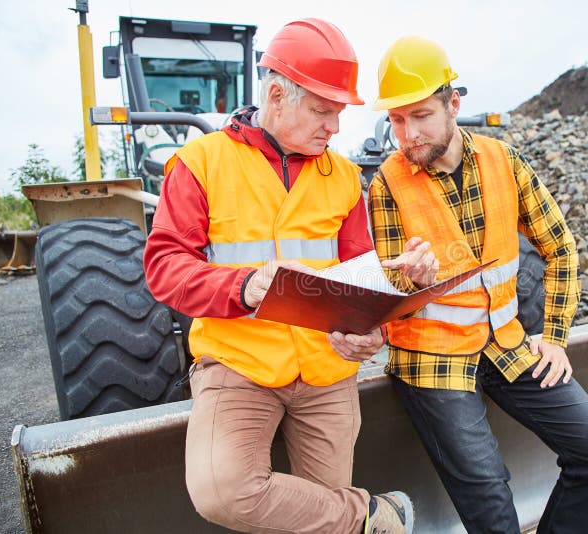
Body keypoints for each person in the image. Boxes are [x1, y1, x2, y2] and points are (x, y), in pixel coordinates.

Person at [144, 19, 414, 534]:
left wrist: (369, 333)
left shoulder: (346, 179)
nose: (334, 127)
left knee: (311, 523)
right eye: (323, 111)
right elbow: (164, 267)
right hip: (238, 362)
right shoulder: (201, 163)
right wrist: (243, 286)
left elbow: (361, 277)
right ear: (275, 94)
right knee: (224, 491)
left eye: (339, 114)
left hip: (326, 367)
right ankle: (375, 517)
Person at [367, 36, 588, 534]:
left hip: (506, 345)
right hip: (432, 361)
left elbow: (560, 247)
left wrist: (554, 336)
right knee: (493, 506)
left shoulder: (503, 161)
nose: (408, 134)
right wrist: (408, 281)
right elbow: (385, 292)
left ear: (453, 104)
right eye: (397, 120)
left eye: (419, 115)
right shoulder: (387, 184)